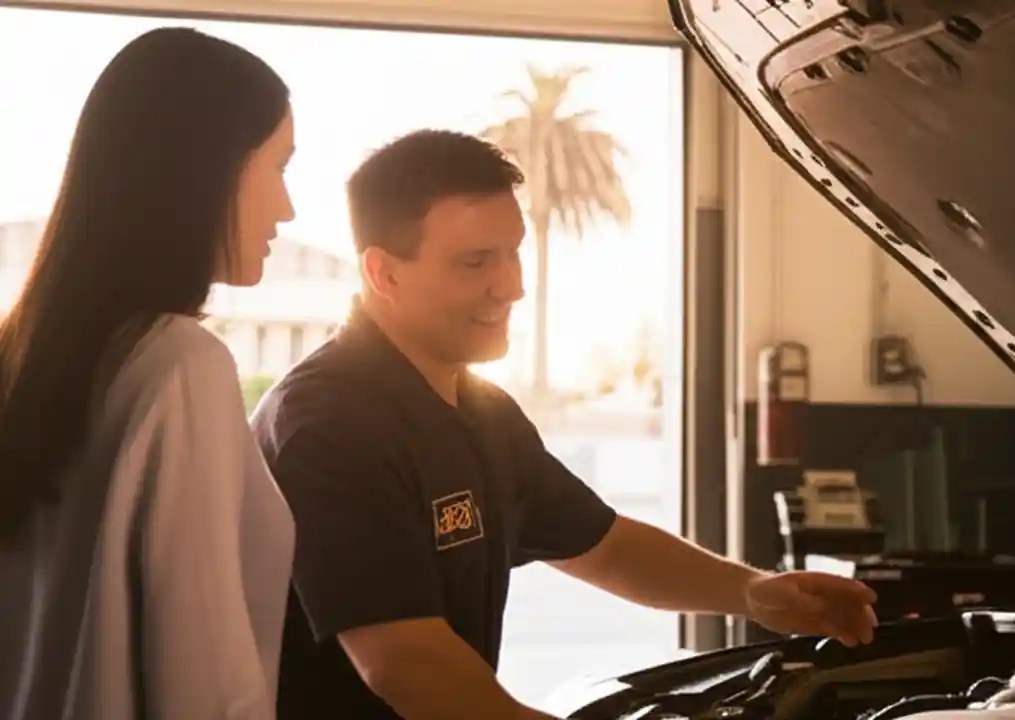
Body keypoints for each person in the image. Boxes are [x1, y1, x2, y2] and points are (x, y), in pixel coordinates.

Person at [251, 129, 878, 720]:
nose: (511, 287)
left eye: (512, 253)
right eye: (475, 262)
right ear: (383, 273)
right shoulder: (327, 424)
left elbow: (607, 547)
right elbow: (405, 662)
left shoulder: (481, 411)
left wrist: (754, 592)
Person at [0, 28, 298, 719]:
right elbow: (203, 684)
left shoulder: (27, 359)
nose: (287, 208)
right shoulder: (182, 367)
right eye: (279, 167)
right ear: (209, 169)